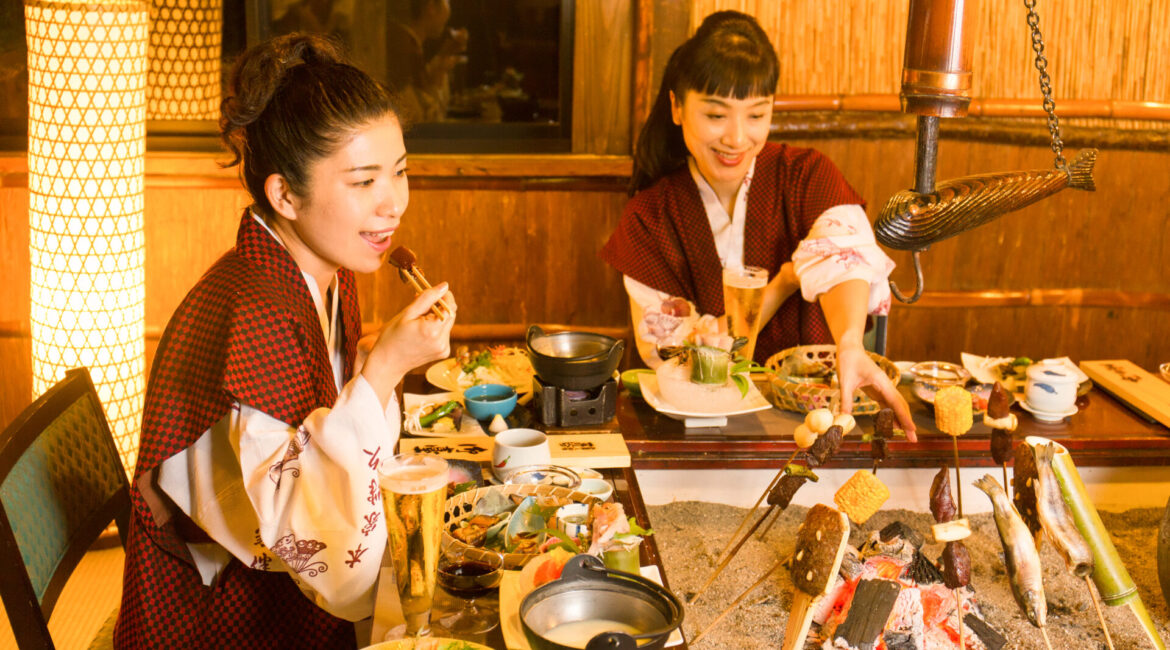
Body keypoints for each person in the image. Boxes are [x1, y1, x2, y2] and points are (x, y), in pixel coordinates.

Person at [114, 34, 456, 647]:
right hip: (221, 617)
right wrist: (382, 372)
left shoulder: (324, 271)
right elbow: (325, 557)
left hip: (271, 577)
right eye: (363, 181)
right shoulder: (257, 309)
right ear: (285, 195)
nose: (393, 204)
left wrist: (377, 365)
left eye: (400, 171)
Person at [600, 11, 915, 438]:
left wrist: (850, 344)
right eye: (716, 116)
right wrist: (782, 284)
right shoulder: (649, 217)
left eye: (755, 115)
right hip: (698, 431)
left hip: (812, 424)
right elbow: (675, 352)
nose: (736, 138)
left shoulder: (807, 177)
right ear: (677, 107)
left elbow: (845, 260)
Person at [385, 0, 468, 122]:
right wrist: (440, 69)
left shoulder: (410, 45)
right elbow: (423, 116)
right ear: (431, 6)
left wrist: (443, 58)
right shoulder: (405, 48)